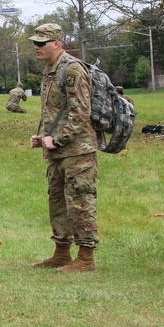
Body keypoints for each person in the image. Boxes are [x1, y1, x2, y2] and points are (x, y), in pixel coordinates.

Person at [29, 22, 99, 273]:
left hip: (77, 151)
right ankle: (61, 252)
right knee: (57, 201)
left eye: (41, 43)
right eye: (34, 43)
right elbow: (55, 112)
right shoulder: (50, 71)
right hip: (57, 151)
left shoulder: (72, 69)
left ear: (57, 43)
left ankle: (86, 257)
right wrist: (42, 137)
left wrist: (57, 139)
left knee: (80, 202)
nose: (36, 47)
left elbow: (81, 113)